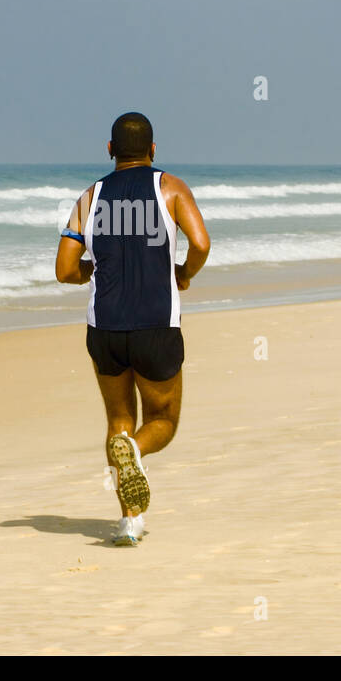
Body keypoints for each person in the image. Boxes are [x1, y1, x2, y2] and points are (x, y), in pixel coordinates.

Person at [54, 112, 210, 546]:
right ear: (153, 150)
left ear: (109, 150)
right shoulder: (170, 188)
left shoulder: (91, 196)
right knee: (162, 420)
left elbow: (64, 269)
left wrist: (89, 269)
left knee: (120, 420)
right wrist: (183, 273)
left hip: (104, 329)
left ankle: (129, 521)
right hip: (156, 324)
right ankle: (137, 453)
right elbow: (200, 243)